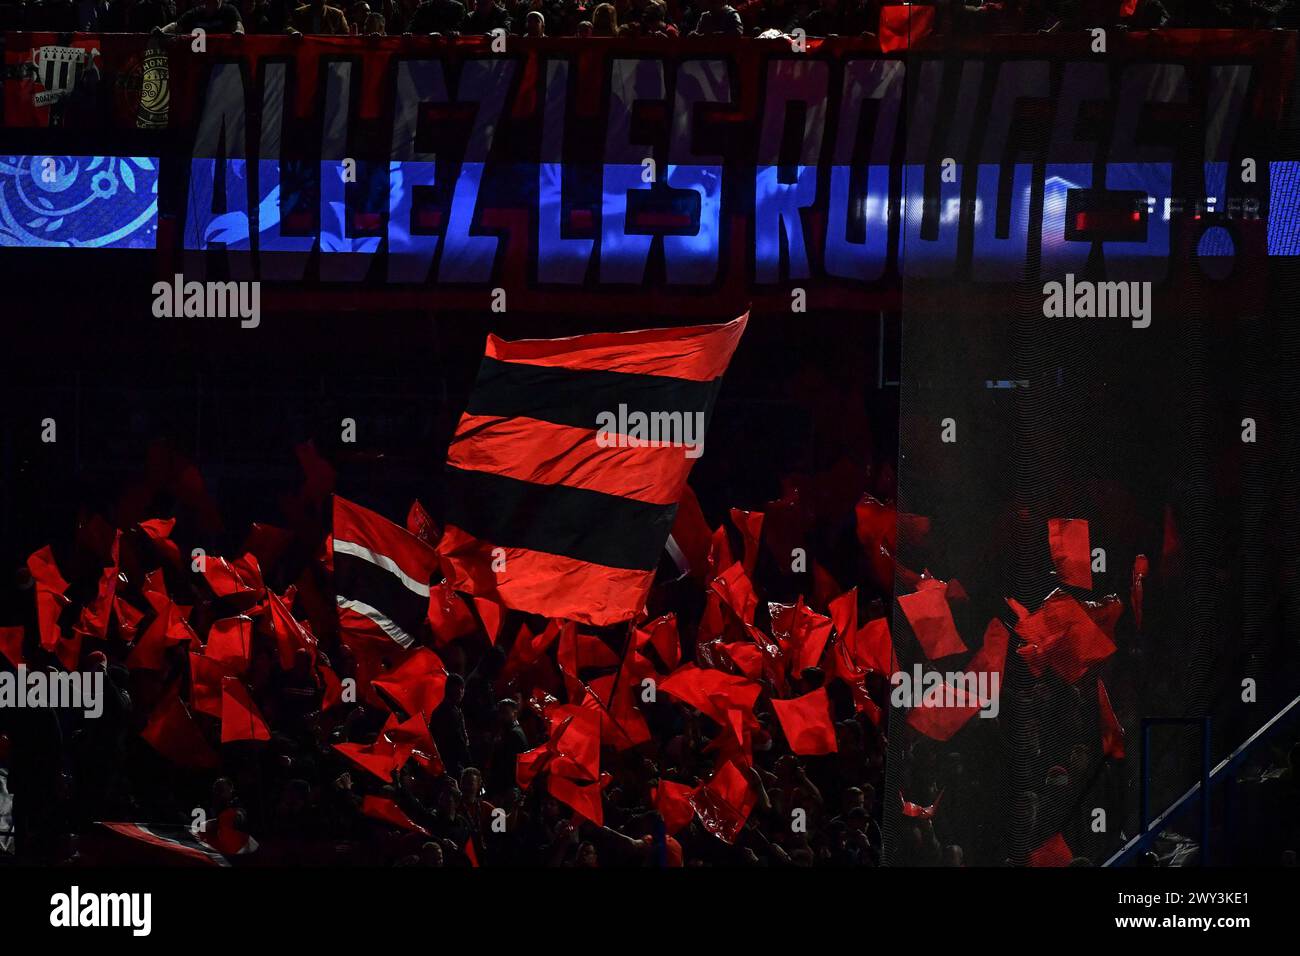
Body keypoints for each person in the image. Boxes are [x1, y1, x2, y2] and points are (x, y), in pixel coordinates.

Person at [163, 0, 244, 32]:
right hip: (200, 56)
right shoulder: (195, 12)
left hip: (221, 58)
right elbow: (176, 25)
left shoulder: (229, 10)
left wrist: (239, 31)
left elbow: (238, 26)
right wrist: (162, 30)